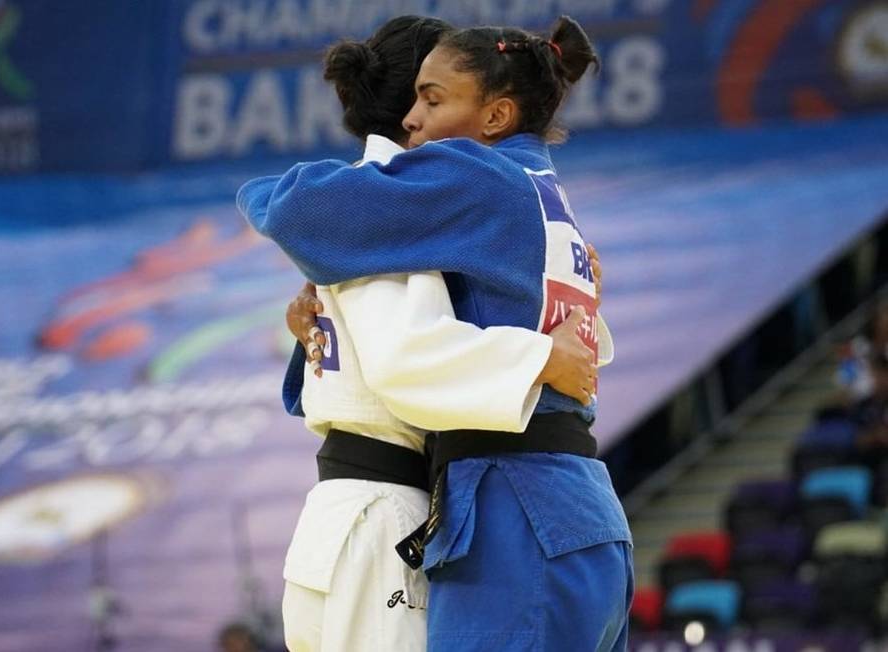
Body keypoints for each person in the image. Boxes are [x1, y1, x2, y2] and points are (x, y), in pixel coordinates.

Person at [239, 17, 632, 651]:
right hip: (578, 510)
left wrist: (256, 195)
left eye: (436, 98)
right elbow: (585, 345)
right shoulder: (545, 197)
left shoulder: (459, 185)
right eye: (417, 97)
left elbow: (296, 210)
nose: (421, 118)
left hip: (511, 504)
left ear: (496, 116)